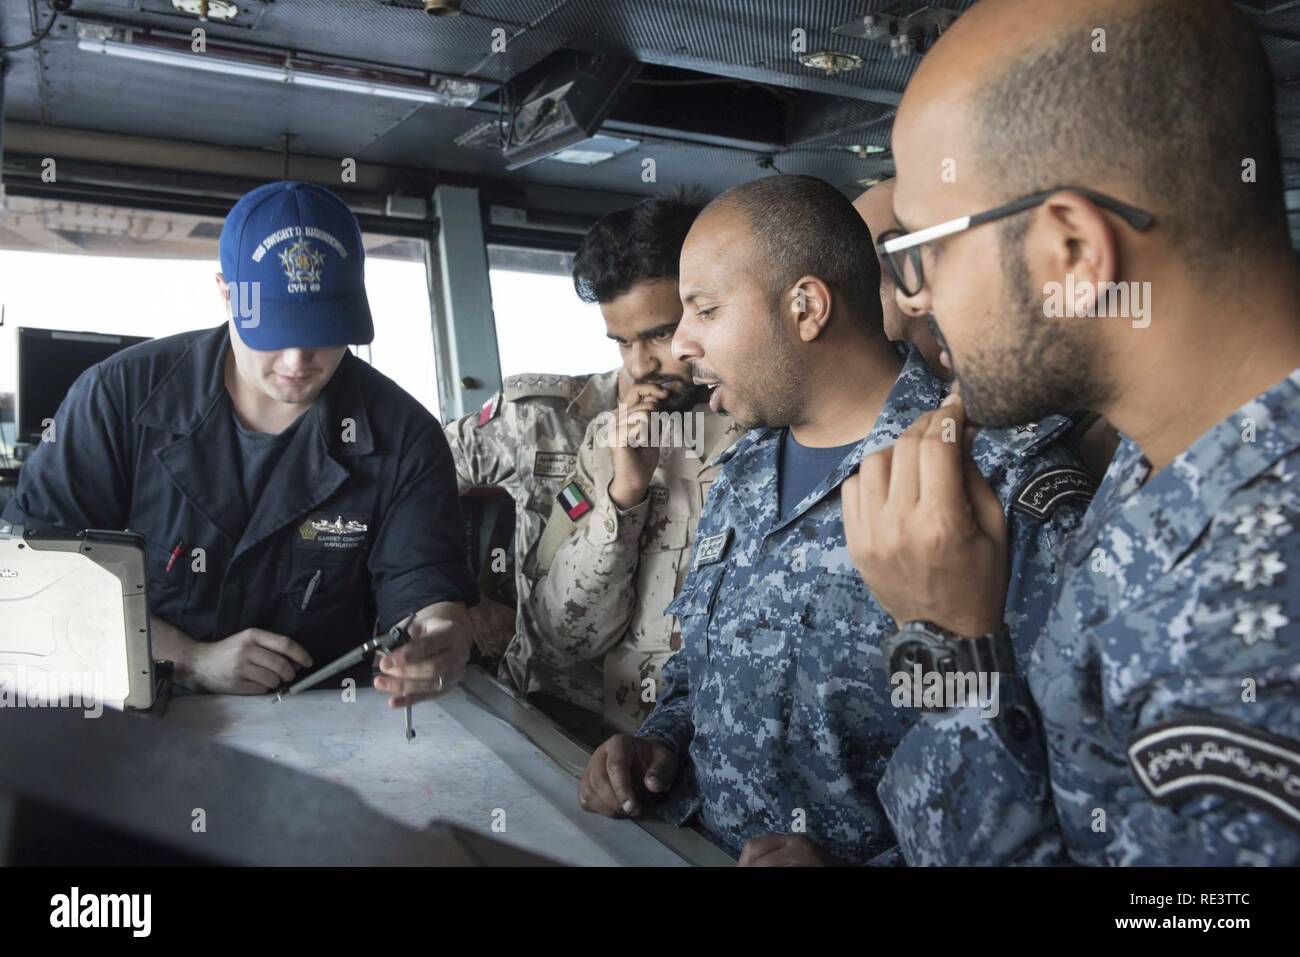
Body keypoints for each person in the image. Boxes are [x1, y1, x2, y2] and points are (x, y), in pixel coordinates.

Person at [852, 0, 1300, 865]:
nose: (912, 299)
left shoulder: (1265, 619)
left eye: (923, 250)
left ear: (1072, 253)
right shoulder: (1160, 455)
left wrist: (946, 654)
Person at [578, 174, 1096, 865]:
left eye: (704, 311)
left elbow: (1066, 788)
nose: (682, 345)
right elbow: (701, 677)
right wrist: (661, 742)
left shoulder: (993, 481)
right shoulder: (742, 473)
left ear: (806, 307)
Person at [2, 181, 477, 706]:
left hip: (323, 719)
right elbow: (34, 574)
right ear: (227, 292)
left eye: (323, 329)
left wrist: (441, 642)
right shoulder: (117, 399)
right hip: (142, 706)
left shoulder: (405, 437)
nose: (298, 361)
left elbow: (426, 591)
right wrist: (189, 658)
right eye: (273, 328)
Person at [528, 195, 742, 733]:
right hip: (626, 748)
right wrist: (625, 495)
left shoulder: (779, 427)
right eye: (621, 342)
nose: (638, 364)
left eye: (660, 334)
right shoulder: (609, 441)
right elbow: (562, 636)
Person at [443, 367, 619, 690]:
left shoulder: (728, 424)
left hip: (680, 712)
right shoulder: (544, 416)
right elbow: (417, 481)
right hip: (548, 694)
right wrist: (465, 601)